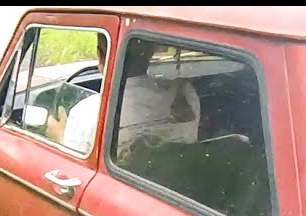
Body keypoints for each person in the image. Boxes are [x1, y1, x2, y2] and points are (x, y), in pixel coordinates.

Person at [46, 36, 200, 158]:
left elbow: (75, 168)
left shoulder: (89, 111)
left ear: (100, 55)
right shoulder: (185, 93)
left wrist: (59, 136)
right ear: (150, 52)